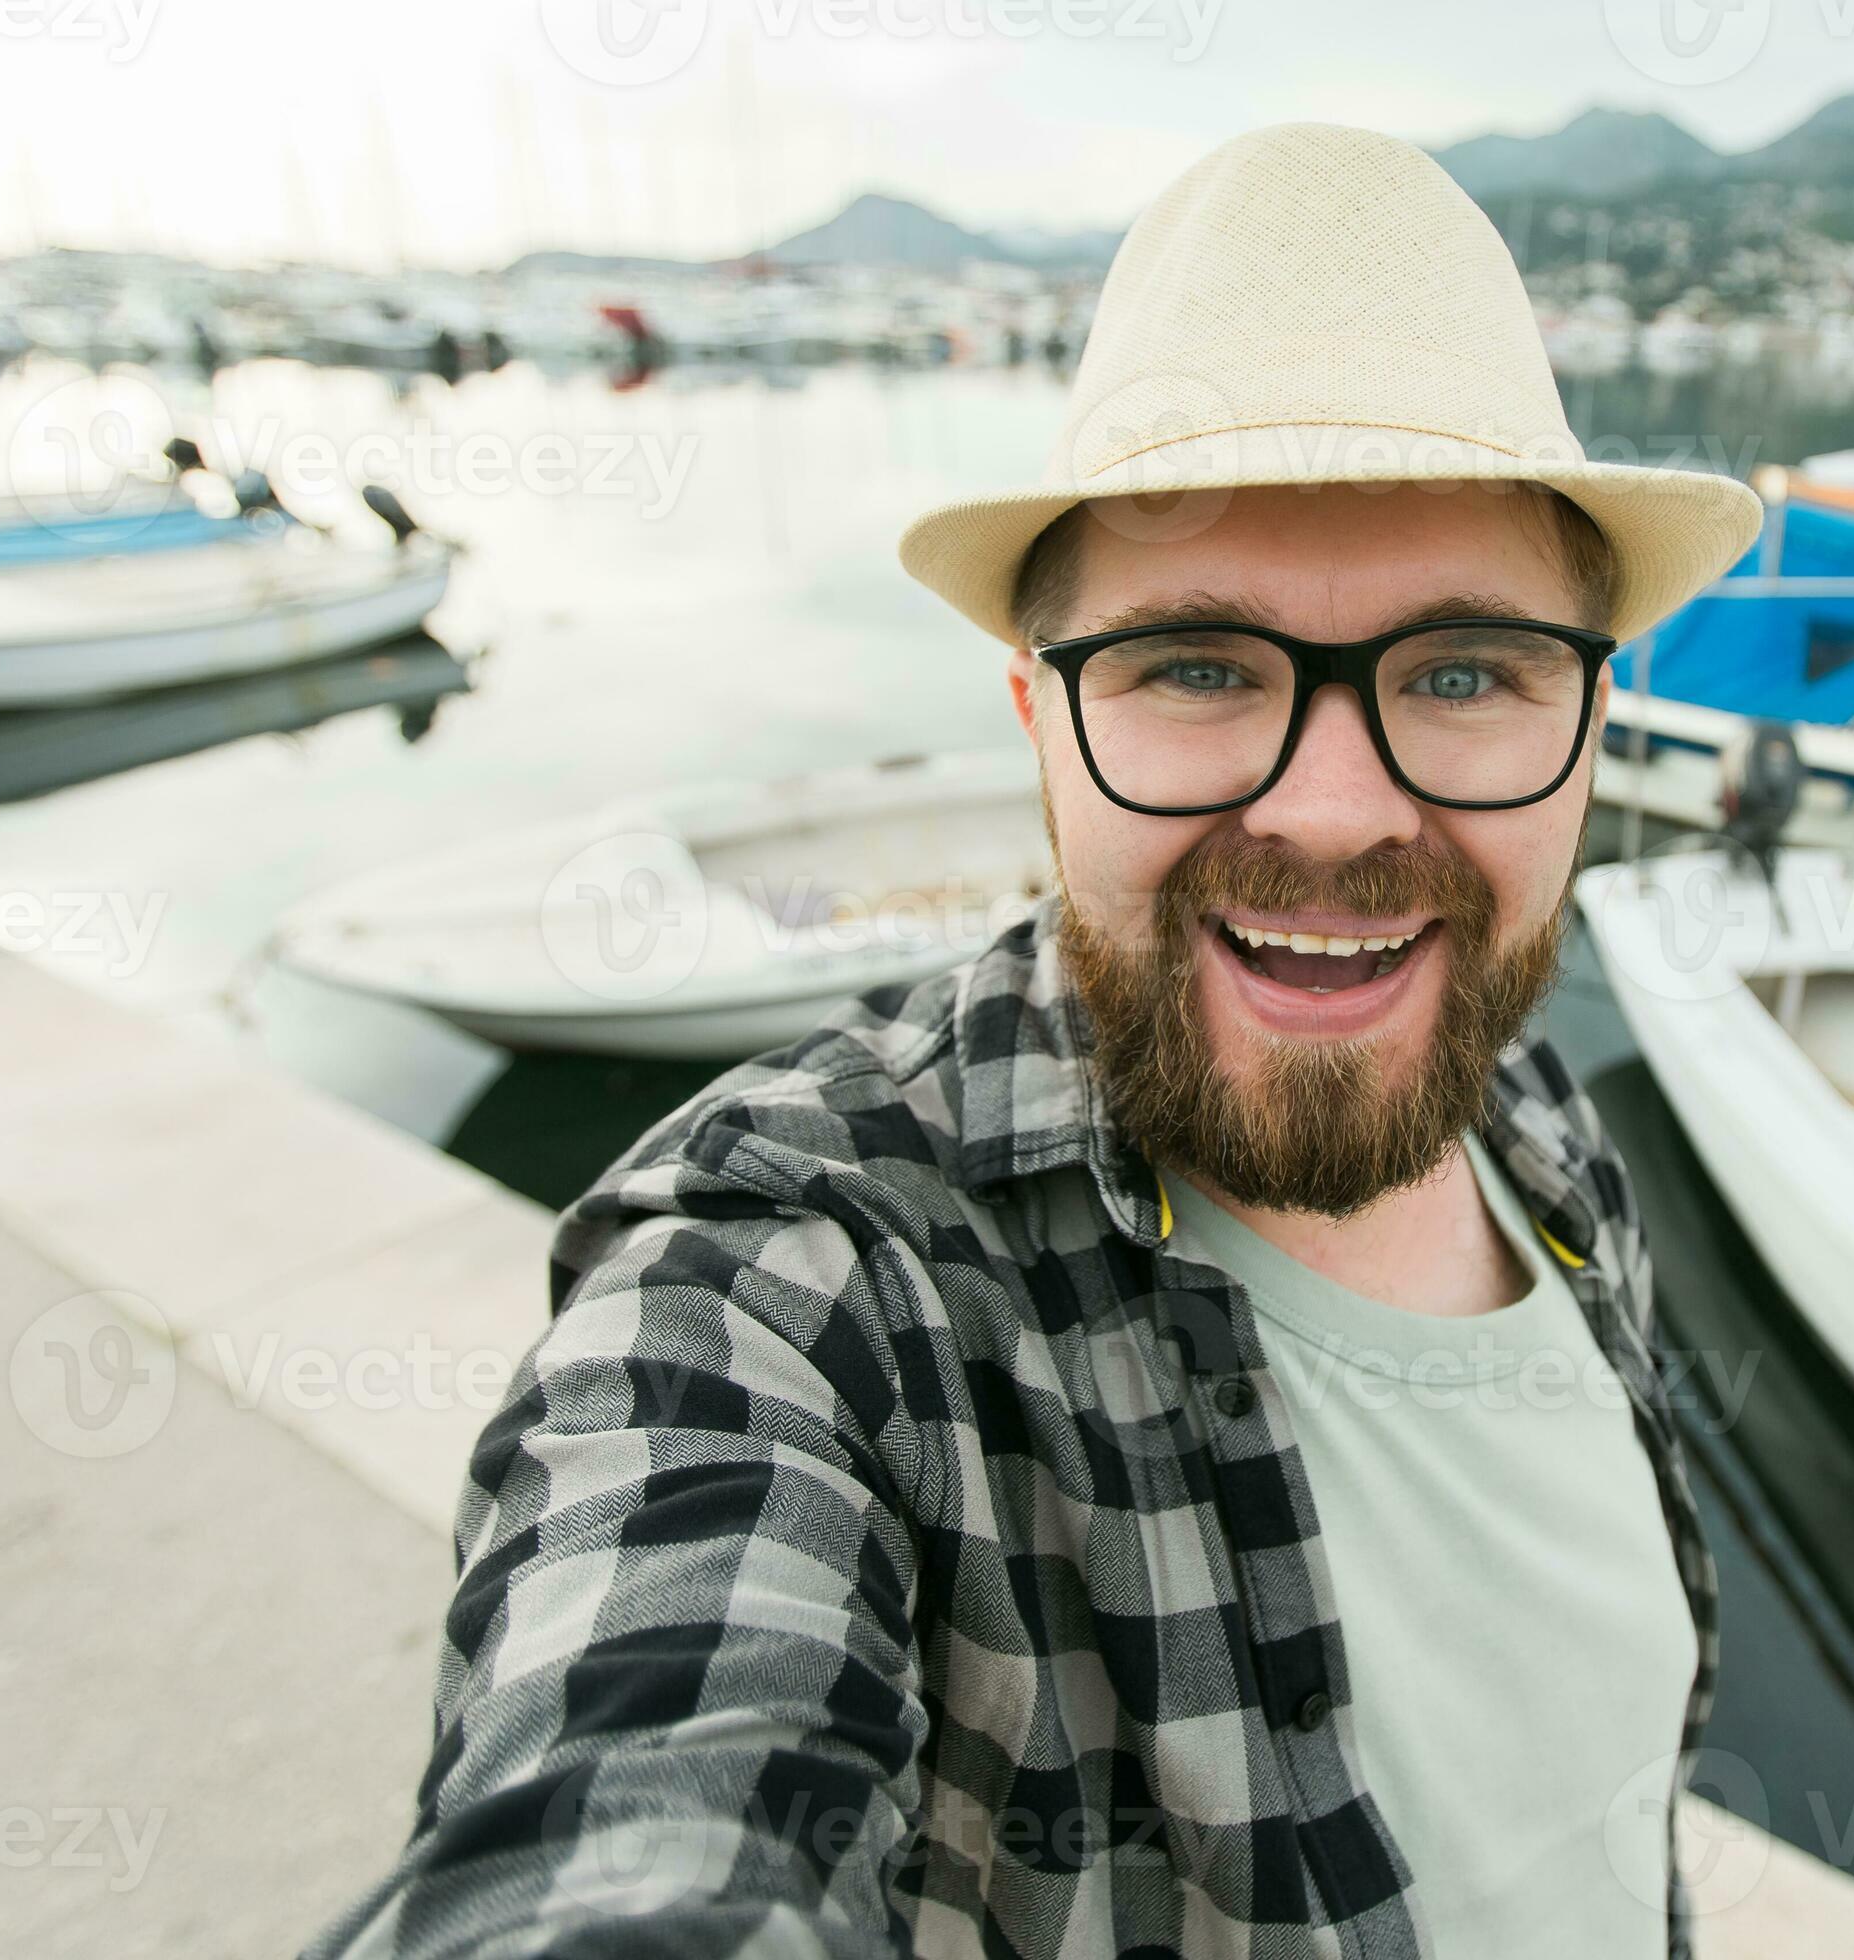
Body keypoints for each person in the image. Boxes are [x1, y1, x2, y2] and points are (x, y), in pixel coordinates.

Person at [306, 123, 1760, 1959]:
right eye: (1197, 668)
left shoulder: (1537, 1125)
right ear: (1037, 725)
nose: (1327, 810)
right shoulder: (796, 1296)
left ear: (1594, 721)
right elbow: (637, 1801)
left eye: (1465, 672)